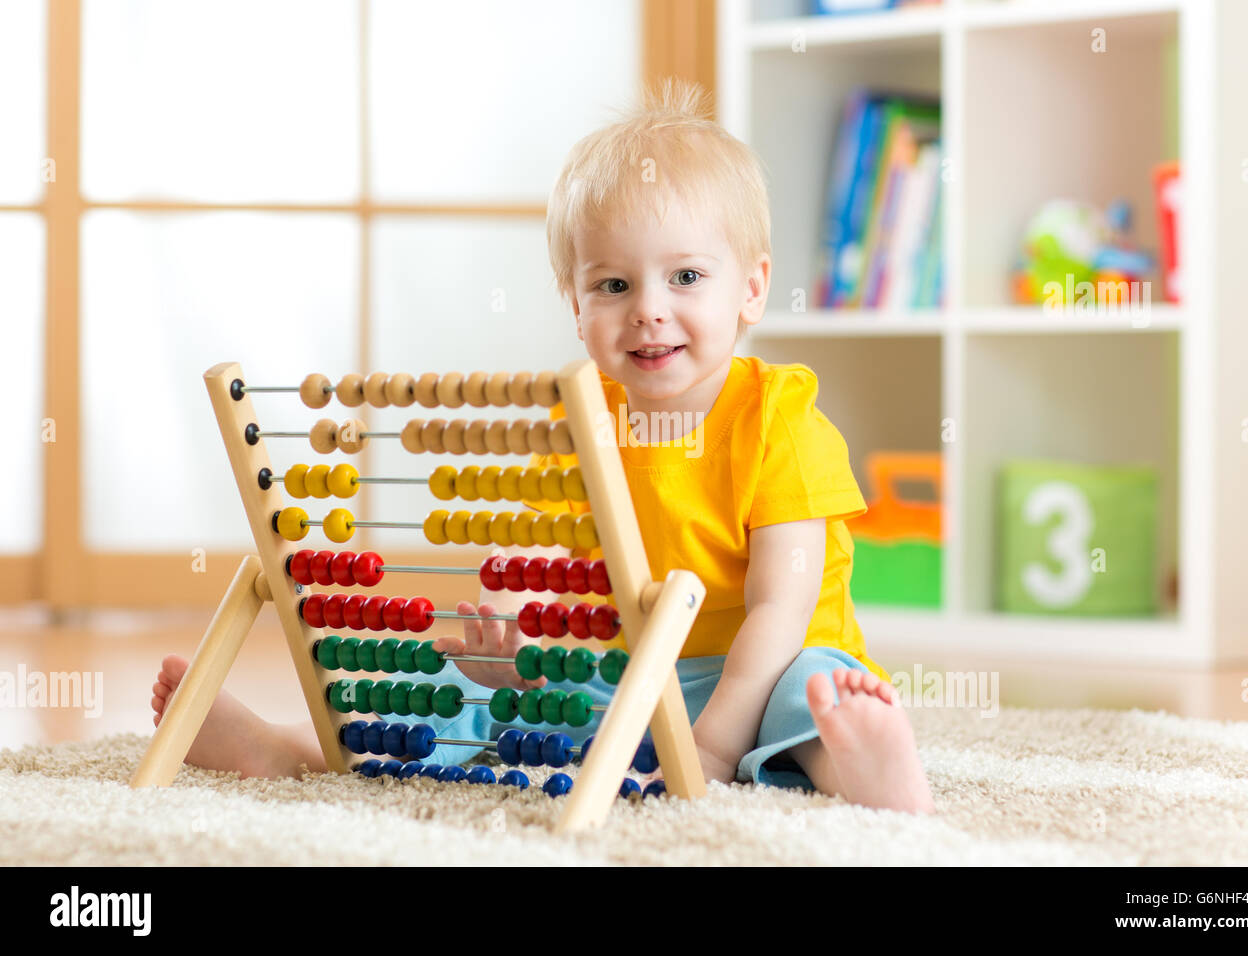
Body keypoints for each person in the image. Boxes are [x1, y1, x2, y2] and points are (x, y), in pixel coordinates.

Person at [151, 78, 934, 814]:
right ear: (575, 304)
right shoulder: (577, 436)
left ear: (752, 290)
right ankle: (285, 748)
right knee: (480, 698)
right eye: (613, 286)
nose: (649, 311)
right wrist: (507, 649)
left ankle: (862, 769)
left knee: (814, 689)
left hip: (761, 672)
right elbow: (534, 578)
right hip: (632, 681)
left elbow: (781, 607)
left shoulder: (780, 421)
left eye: (687, 276)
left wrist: (713, 747)